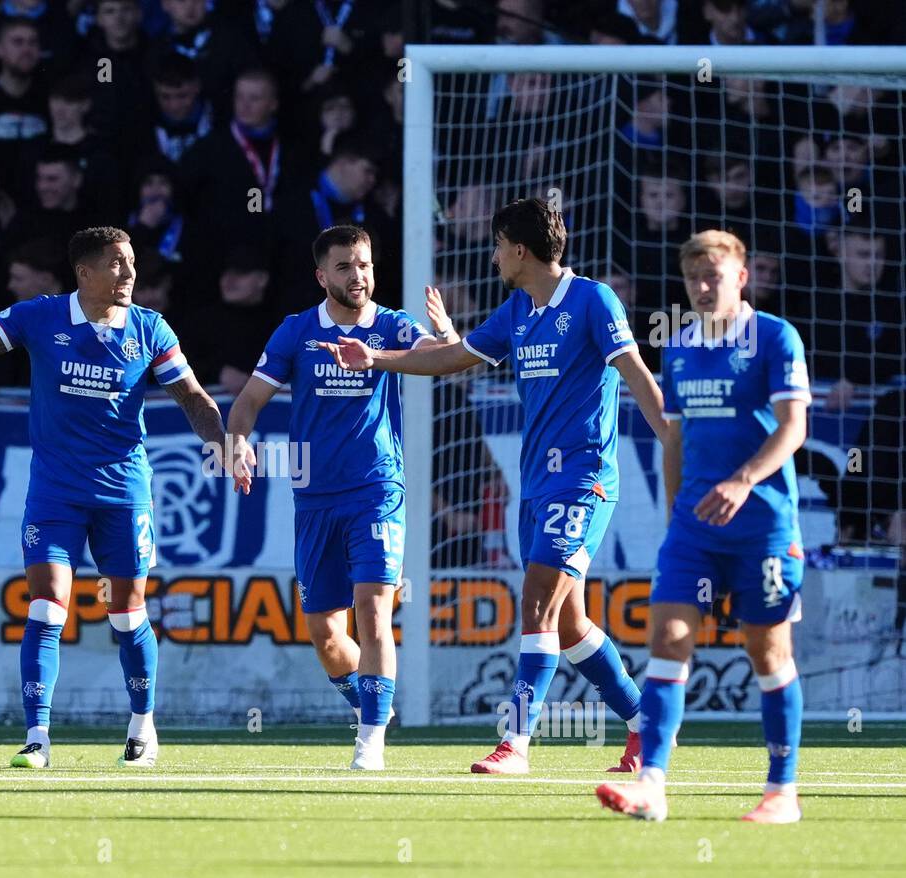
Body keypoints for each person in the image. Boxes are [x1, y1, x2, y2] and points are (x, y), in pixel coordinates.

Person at [319, 198, 668, 774]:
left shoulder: (592, 300)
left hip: (583, 482)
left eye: (499, 245)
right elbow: (454, 357)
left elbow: (639, 378)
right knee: (571, 621)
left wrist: (676, 451)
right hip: (534, 486)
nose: (493, 255)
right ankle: (644, 721)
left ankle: (516, 744)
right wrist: (375, 360)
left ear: (521, 249)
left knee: (535, 602)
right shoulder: (517, 310)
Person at [0, 226, 225, 769]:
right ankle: (37, 737)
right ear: (85, 273)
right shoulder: (40, 316)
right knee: (46, 606)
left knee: (125, 614)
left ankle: (143, 726)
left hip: (125, 491)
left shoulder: (149, 328)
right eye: (117, 264)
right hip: (56, 493)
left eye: (131, 264)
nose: (129, 274)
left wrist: (224, 443)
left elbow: (192, 396)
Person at [597, 230, 811, 823]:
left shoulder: (774, 337)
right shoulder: (682, 346)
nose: (702, 286)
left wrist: (743, 481)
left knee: (767, 651)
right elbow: (677, 437)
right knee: (666, 641)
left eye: (714, 275)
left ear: (741, 276)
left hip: (763, 526)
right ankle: (652, 782)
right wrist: (674, 518)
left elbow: (792, 429)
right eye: (694, 278)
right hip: (694, 530)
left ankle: (781, 791)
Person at [226, 224, 447, 770]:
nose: (359, 276)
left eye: (366, 265)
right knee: (327, 636)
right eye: (346, 267)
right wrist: (238, 443)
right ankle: (374, 704)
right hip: (314, 496)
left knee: (373, 611)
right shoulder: (296, 332)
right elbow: (250, 399)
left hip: (376, 489)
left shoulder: (394, 326)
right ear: (322, 275)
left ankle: (370, 740)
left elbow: (439, 359)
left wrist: (445, 337)